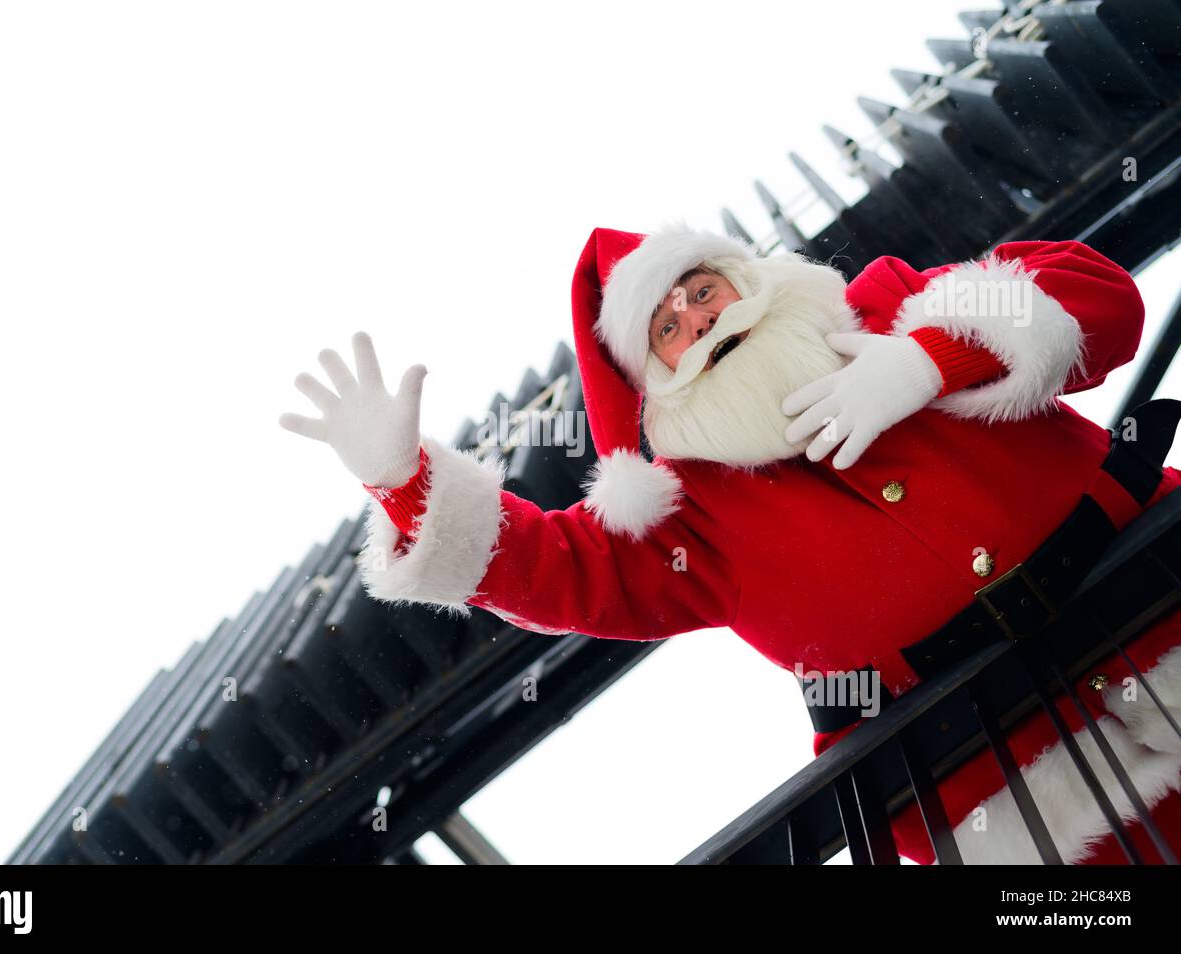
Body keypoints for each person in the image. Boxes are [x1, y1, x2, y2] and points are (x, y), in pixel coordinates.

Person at [279, 223, 1181, 864]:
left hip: (1160, 599)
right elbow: (549, 570)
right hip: (1025, 788)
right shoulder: (686, 522)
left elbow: (1093, 296)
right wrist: (403, 482)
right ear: (654, 384)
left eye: (700, 290)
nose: (696, 318)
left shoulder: (890, 303)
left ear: (747, 280)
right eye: (667, 328)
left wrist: (927, 360)